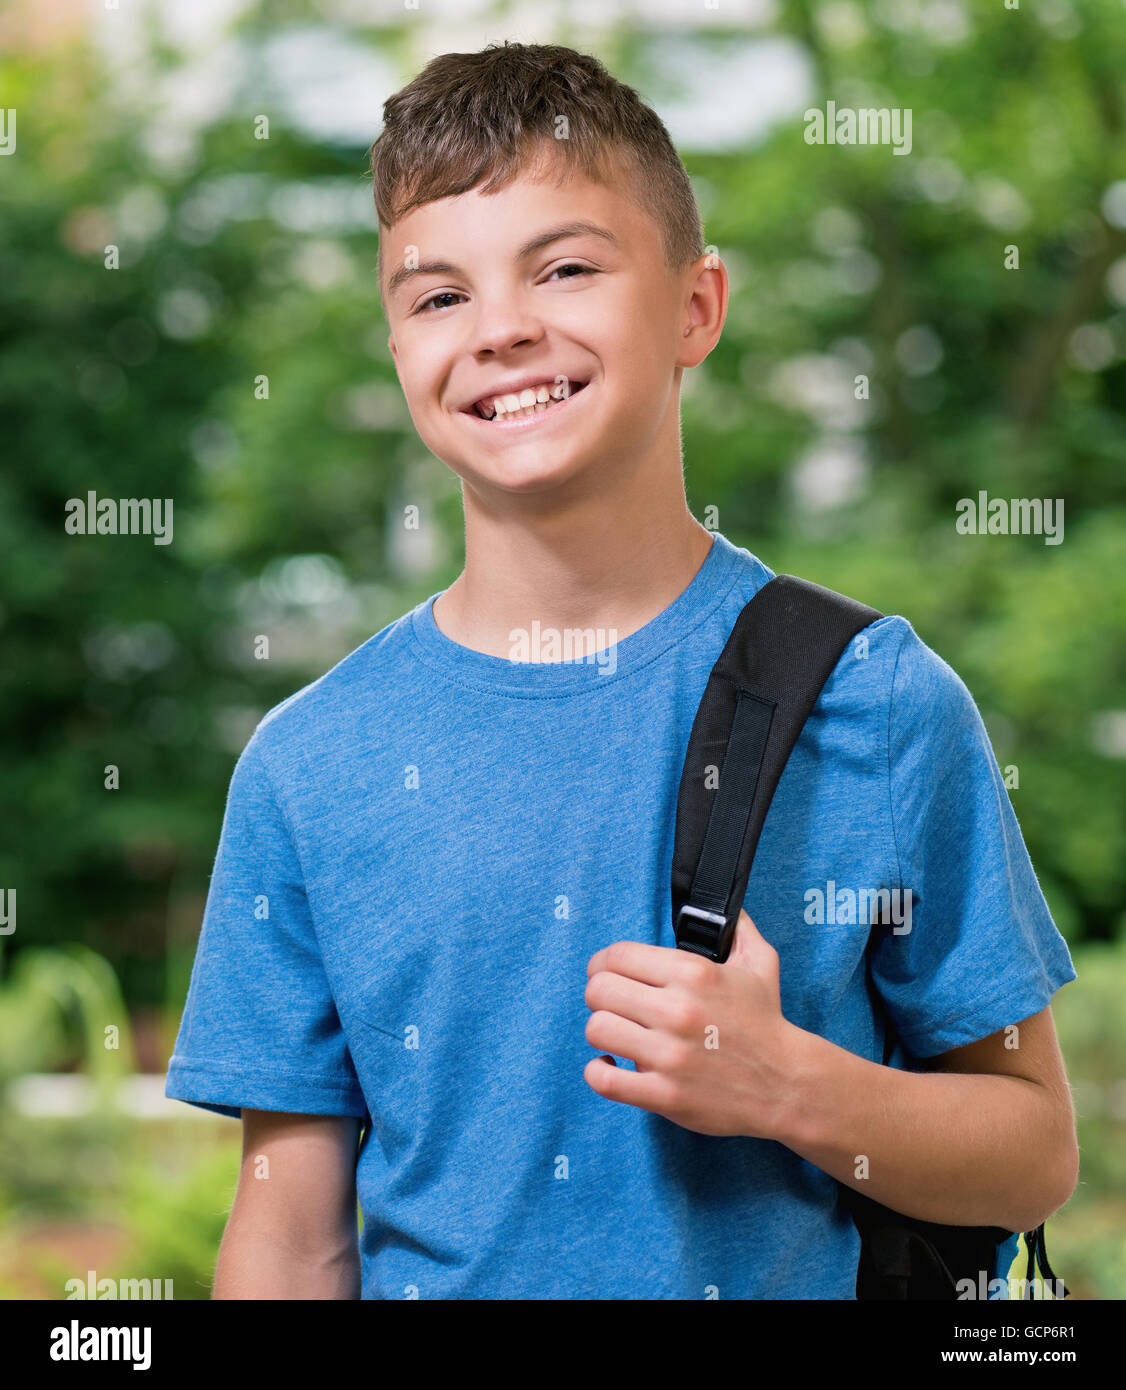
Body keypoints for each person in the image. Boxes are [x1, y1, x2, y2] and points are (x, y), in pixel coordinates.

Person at [165, 41, 1078, 1300]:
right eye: (438, 296)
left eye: (567, 268)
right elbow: (289, 1234)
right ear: (396, 353)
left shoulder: (874, 696)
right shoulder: (309, 763)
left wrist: (791, 1086)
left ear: (696, 305)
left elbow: (1030, 1153)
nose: (501, 330)